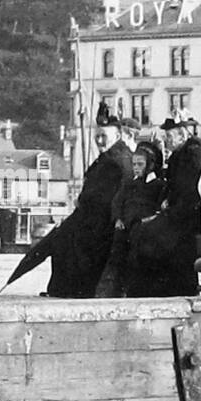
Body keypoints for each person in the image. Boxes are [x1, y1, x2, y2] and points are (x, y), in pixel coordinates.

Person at [45, 113, 132, 298]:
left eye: (103, 136)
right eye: (97, 136)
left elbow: (114, 194)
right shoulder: (107, 157)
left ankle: (76, 290)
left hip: (105, 220)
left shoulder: (118, 160)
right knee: (61, 237)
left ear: (117, 136)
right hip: (92, 216)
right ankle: (64, 289)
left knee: (71, 239)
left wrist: (84, 202)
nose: (99, 141)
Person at [128, 112, 201, 297]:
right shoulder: (179, 155)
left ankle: (159, 290)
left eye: (169, 136)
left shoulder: (194, 154)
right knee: (142, 230)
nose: (166, 140)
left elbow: (190, 193)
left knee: (149, 234)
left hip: (188, 216)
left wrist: (168, 212)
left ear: (182, 134)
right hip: (177, 213)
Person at [96, 140, 164, 298]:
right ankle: (110, 290)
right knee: (116, 254)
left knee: (136, 254)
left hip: (143, 226)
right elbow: (117, 202)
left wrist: (150, 219)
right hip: (125, 225)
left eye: (140, 164)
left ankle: (133, 289)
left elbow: (159, 208)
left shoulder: (158, 185)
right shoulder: (129, 184)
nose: (136, 168)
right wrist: (118, 218)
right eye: (134, 164)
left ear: (150, 165)